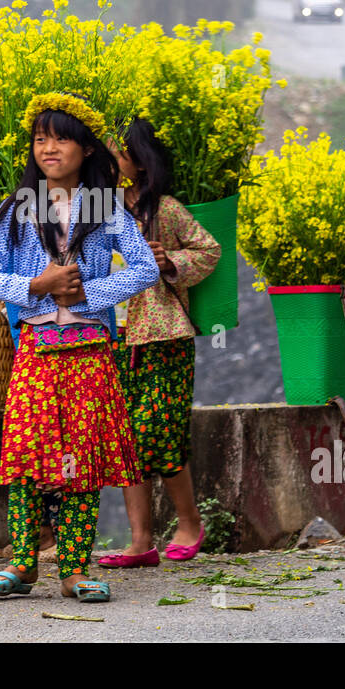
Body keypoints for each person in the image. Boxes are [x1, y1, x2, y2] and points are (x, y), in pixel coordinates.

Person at [0, 92, 159, 602]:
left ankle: (75, 569)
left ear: (85, 149)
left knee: (81, 460)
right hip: (35, 348)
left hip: (91, 349)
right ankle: (23, 564)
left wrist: (87, 292)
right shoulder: (17, 208)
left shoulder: (104, 207)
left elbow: (143, 267)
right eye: (40, 138)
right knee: (26, 459)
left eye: (60, 138)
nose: (48, 148)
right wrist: (38, 285)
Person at [98, 117, 220, 568]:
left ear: (140, 165)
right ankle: (141, 541)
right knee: (126, 440)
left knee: (161, 433)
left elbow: (208, 250)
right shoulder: (96, 213)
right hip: (113, 338)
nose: (109, 165)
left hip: (163, 334)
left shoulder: (164, 209)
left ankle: (189, 523)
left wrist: (170, 261)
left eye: (118, 156)